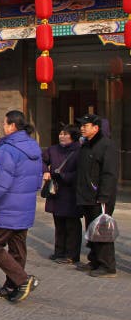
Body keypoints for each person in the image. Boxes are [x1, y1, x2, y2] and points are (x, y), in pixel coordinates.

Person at [0, 111, 43, 303]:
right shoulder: (33, 146)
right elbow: (36, 181)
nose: (3, 126)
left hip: (7, 206)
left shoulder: (7, 149)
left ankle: (23, 280)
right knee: (17, 248)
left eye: (5, 123)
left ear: (12, 126)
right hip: (24, 205)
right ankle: (11, 286)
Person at [74, 113, 118, 277]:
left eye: (85, 126)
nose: (82, 128)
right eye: (82, 126)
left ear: (96, 128)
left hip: (100, 197)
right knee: (91, 230)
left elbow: (109, 173)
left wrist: (104, 196)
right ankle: (95, 260)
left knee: (102, 230)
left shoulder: (107, 145)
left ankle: (107, 265)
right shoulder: (86, 145)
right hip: (86, 196)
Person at [42, 125, 81, 264]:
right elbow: (42, 160)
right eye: (60, 133)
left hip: (71, 192)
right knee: (58, 223)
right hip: (56, 191)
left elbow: (80, 172)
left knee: (72, 225)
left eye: (65, 134)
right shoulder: (53, 150)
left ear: (73, 136)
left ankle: (72, 254)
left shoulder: (79, 150)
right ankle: (59, 251)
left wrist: (64, 176)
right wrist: (45, 170)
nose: (62, 136)